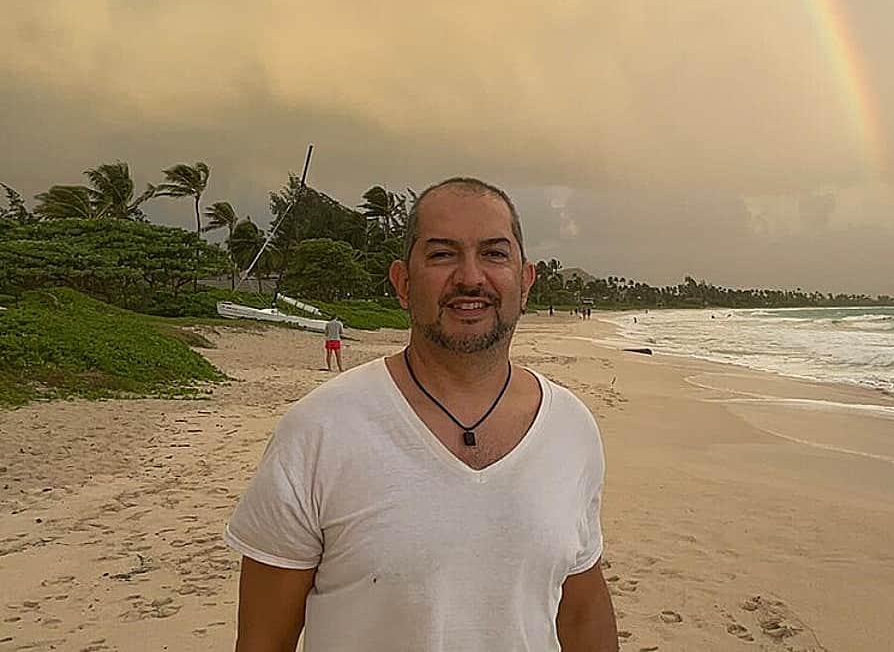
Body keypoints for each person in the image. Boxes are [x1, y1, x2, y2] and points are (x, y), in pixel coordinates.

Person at [225, 177, 617, 652]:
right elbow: (264, 639)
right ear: (403, 283)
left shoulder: (571, 429)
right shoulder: (319, 431)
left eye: (494, 254)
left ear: (526, 280)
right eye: (442, 254)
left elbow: (581, 611)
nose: (471, 277)